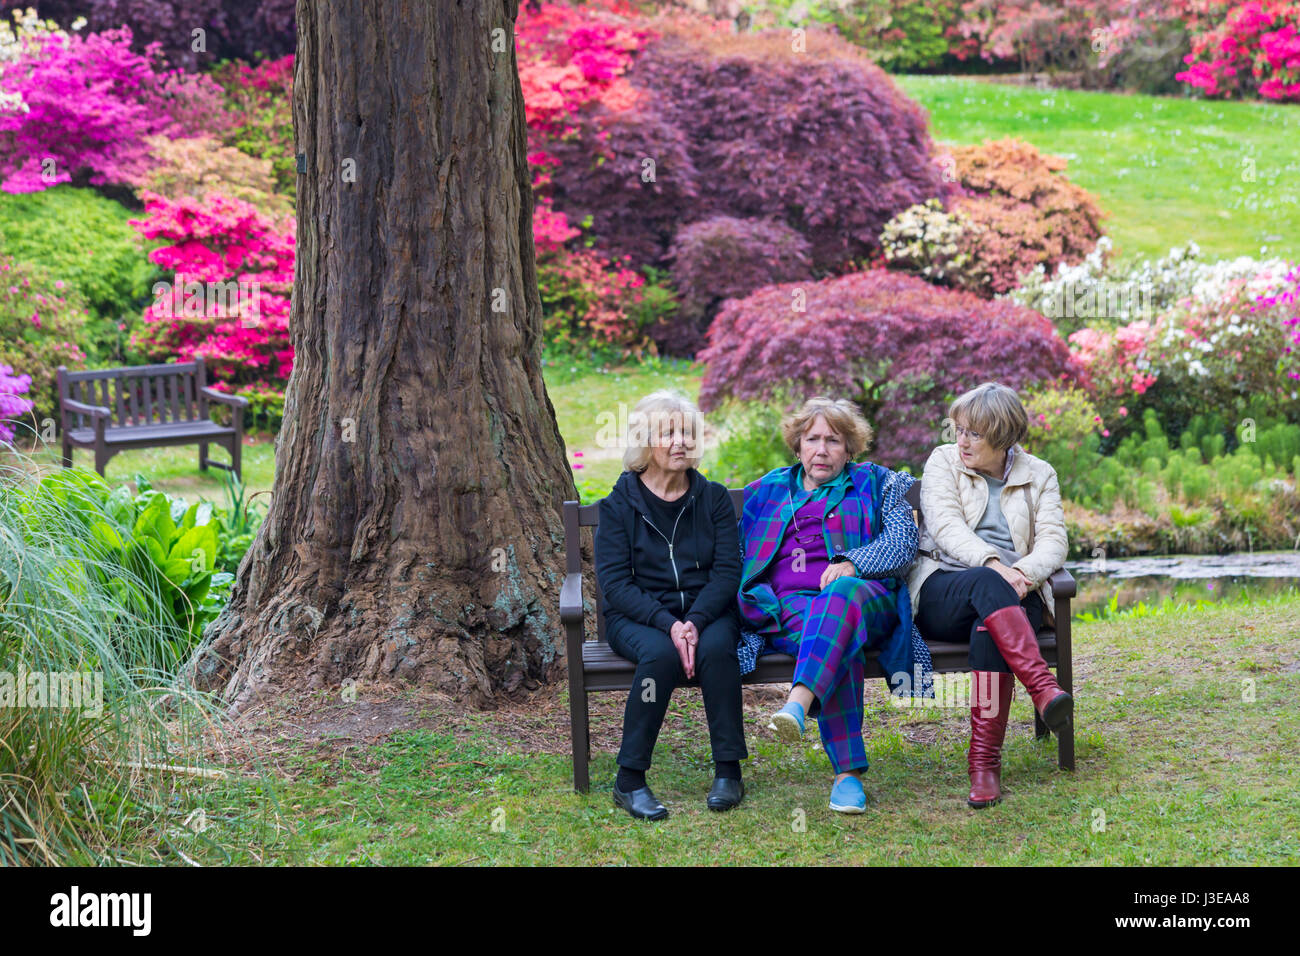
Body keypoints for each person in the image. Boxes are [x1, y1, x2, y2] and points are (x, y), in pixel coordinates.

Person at [740, 397, 931, 814]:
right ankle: (847, 778)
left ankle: (798, 704)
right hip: (788, 608)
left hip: (868, 598)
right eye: (812, 439)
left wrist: (853, 563)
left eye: (833, 440)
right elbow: (738, 557)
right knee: (834, 634)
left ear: (850, 449)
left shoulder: (880, 484)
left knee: (839, 600)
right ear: (798, 445)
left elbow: (902, 546)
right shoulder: (767, 492)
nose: (821, 450)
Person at [909, 382, 1072, 809]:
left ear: (1002, 437)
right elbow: (945, 528)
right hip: (945, 587)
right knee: (987, 584)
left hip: (1018, 591)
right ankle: (1043, 689)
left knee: (989, 629)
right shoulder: (944, 462)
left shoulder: (1039, 473)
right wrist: (996, 566)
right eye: (958, 429)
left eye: (974, 434)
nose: (960, 440)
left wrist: (1021, 573)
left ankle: (984, 766)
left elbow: (1054, 542)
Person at [594, 391, 747, 820]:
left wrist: (694, 621)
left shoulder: (712, 498)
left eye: (688, 433)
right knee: (659, 656)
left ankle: (728, 769)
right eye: (669, 433)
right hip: (638, 617)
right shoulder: (619, 505)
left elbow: (726, 573)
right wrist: (669, 624)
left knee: (717, 649)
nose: (681, 442)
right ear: (646, 442)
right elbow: (615, 585)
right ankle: (629, 780)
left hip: (706, 612)